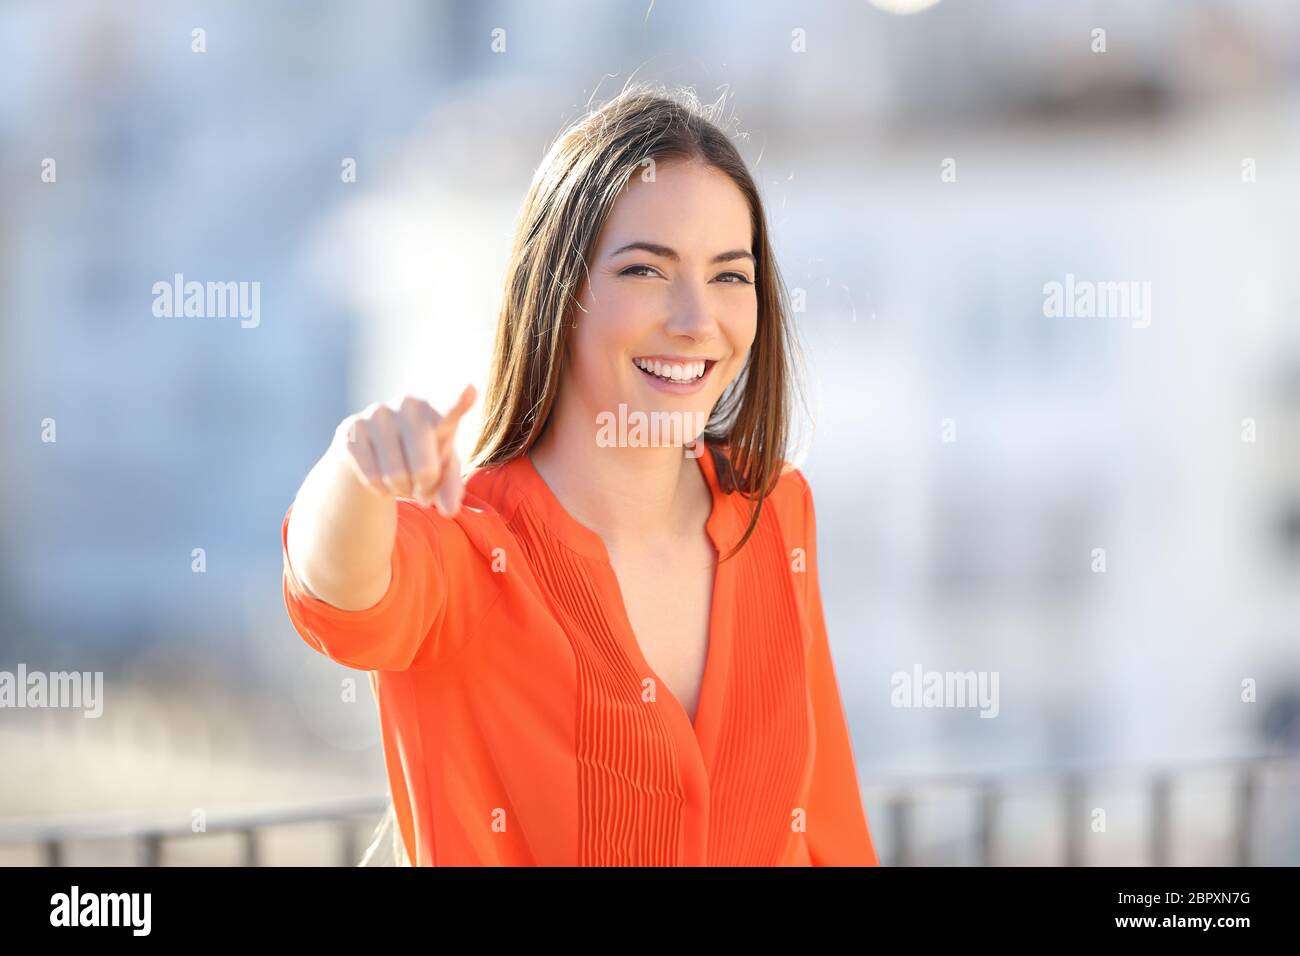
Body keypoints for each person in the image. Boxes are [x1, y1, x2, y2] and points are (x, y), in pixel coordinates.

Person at [280, 83, 880, 866]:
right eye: (645, 271)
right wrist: (356, 467)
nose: (697, 319)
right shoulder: (470, 544)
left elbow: (826, 828)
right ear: (559, 293)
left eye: (730, 275)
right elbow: (332, 593)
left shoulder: (776, 510)